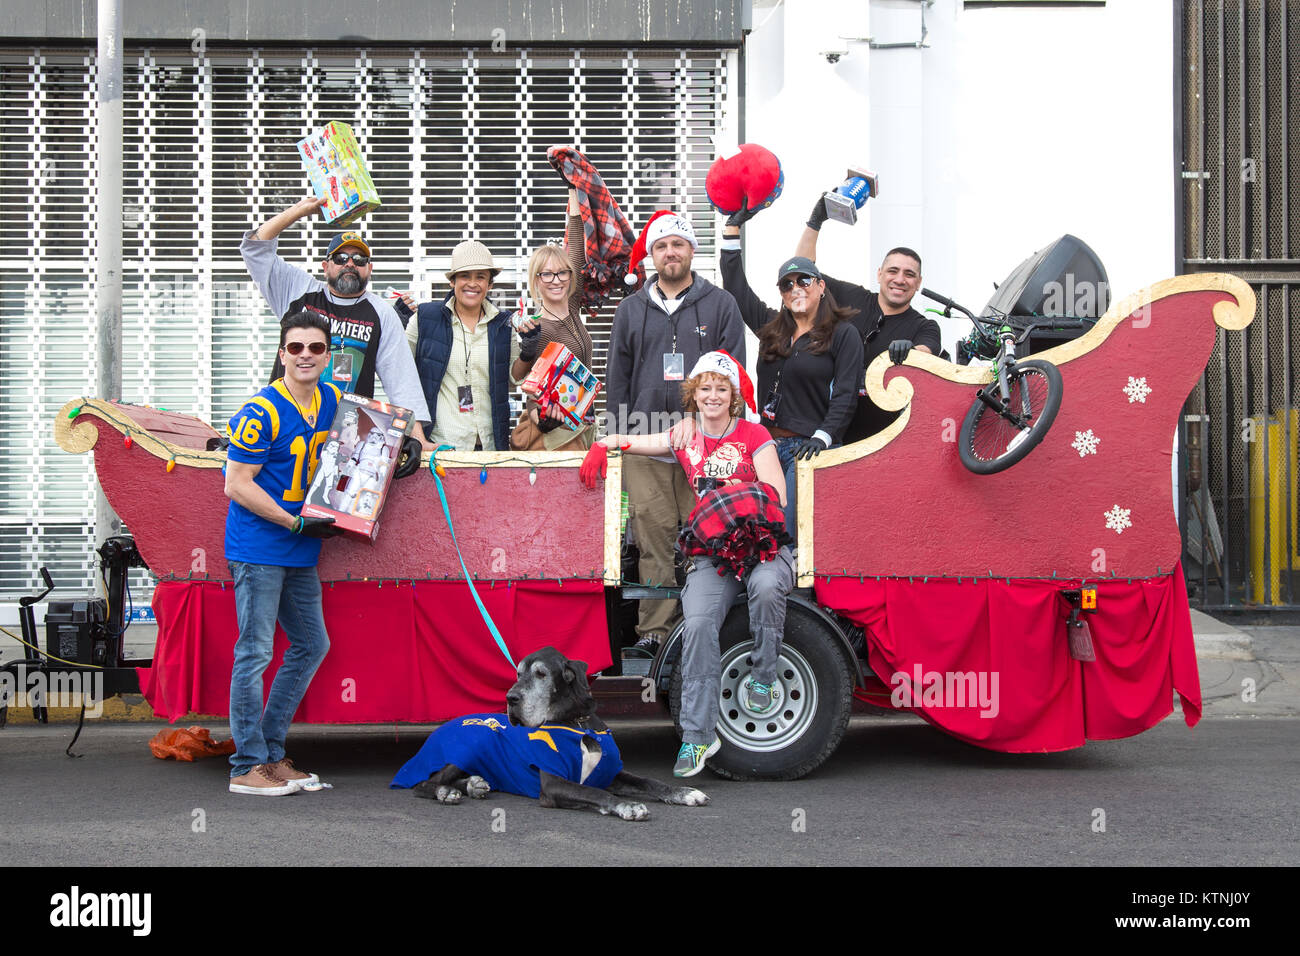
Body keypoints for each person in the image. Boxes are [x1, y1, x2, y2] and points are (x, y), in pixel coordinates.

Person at [580, 352, 793, 777]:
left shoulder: (754, 435)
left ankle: (764, 675)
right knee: (696, 624)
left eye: (721, 388)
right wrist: (605, 444)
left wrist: (737, 488)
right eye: (705, 388)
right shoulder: (685, 433)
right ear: (692, 393)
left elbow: (779, 496)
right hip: (715, 553)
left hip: (761, 545)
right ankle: (698, 737)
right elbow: (641, 441)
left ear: (733, 396)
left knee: (767, 588)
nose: (713, 396)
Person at [605, 211, 747, 659]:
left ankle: (703, 624)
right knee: (651, 536)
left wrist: (712, 428)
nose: (671, 252)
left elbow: (733, 375)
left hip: (704, 445)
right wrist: (616, 440)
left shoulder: (721, 304)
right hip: (644, 442)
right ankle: (655, 631)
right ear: (651, 255)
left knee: (705, 535)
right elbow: (618, 378)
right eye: (662, 246)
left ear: (692, 250)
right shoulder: (630, 310)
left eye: (679, 244)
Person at [223, 310, 342, 796]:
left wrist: (409, 445)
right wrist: (294, 521)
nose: (306, 356)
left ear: (327, 355)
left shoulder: (331, 399)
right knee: (254, 653)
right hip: (261, 546)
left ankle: (271, 752)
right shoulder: (261, 411)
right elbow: (236, 484)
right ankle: (246, 765)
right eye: (296, 348)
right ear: (282, 354)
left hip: (299, 549)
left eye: (315, 348)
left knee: (312, 644)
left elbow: (372, 434)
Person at [240, 197, 433, 442]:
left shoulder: (382, 313)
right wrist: (299, 211)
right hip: (285, 422)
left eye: (359, 260)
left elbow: (402, 380)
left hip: (345, 436)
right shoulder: (297, 291)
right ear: (325, 266)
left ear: (369, 269)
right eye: (340, 258)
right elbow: (255, 247)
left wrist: (419, 440)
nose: (350, 264)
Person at [718, 215, 864, 536]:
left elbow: (845, 395)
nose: (795, 288)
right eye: (787, 284)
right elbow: (736, 289)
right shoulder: (772, 328)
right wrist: (732, 229)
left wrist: (822, 439)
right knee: (754, 525)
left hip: (809, 449)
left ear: (821, 286)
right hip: (766, 445)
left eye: (803, 281)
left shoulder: (843, 334)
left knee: (792, 531)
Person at [795, 195, 941, 444]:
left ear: (918, 283)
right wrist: (816, 220)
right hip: (830, 434)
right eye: (893, 271)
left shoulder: (925, 326)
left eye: (909, 274)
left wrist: (911, 354)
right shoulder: (853, 297)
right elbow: (801, 272)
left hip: (886, 440)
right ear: (880, 274)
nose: (899, 279)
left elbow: (925, 353)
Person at [405, 240, 525, 451]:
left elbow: (515, 378)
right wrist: (417, 438)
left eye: (480, 276)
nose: (472, 283)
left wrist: (530, 350)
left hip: (489, 447)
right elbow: (401, 377)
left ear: (490, 284)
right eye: (464, 276)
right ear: (452, 281)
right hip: (441, 445)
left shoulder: (503, 325)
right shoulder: (424, 318)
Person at [509, 188, 597, 452]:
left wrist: (573, 189)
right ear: (536, 279)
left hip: (582, 423)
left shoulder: (571, 306)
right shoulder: (538, 326)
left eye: (562, 273)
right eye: (547, 274)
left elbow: (578, 251)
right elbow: (520, 377)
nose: (556, 280)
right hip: (556, 434)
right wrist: (540, 413)